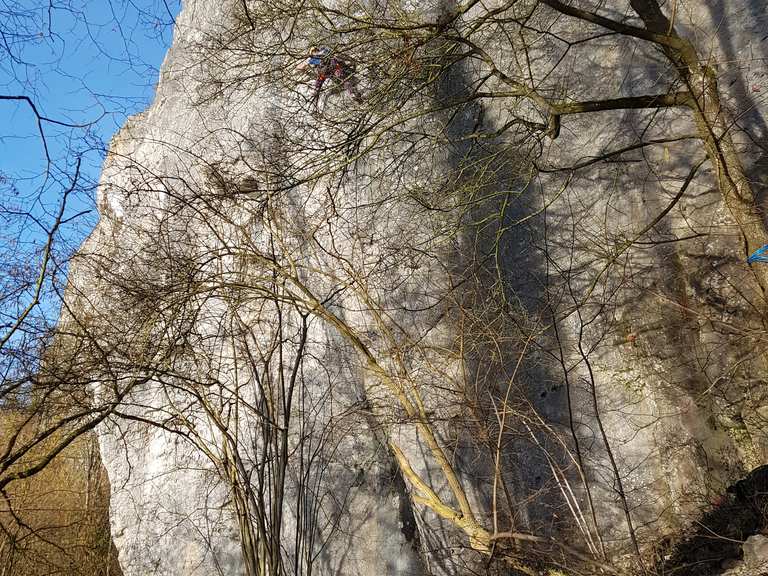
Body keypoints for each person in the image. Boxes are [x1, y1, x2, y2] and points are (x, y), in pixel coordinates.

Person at [296, 46, 362, 107]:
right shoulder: (314, 57)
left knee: (342, 78)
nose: (315, 52)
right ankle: (315, 103)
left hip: (331, 69)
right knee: (319, 84)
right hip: (327, 71)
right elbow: (303, 65)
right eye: (313, 51)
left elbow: (302, 66)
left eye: (315, 50)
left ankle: (353, 93)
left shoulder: (321, 52)